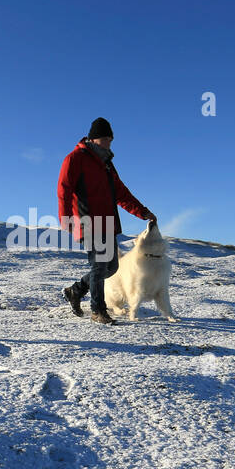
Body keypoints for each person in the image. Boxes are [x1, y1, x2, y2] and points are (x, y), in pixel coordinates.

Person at [56, 117, 157, 324]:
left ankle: (75, 291)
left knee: (110, 268)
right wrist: (65, 218)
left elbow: (122, 194)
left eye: (111, 139)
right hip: (88, 221)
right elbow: (64, 190)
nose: (110, 143)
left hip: (108, 223)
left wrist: (143, 212)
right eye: (106, 139)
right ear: (94, 139)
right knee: (100, 266)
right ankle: (98, 311)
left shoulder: (107, 165)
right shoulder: (75, 158)